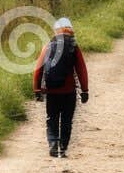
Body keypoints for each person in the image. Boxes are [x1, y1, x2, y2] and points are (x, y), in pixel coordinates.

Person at [33, 16, 88, 158]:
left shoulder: (48, 46)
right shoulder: (73, 46)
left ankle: (52, 144)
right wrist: (85, 90)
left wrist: (37, 89)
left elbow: (38, 70)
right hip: (69, 92)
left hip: (51, 91)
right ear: (71, 31)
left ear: (55, 31)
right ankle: (62, 147)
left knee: (51, 118)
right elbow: (81, 69)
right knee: (66, 120)